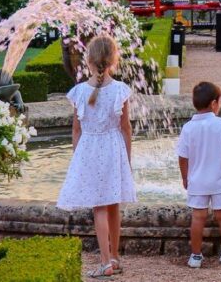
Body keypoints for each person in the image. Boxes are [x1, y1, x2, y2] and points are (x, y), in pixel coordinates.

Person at [56, 36, 136, 279]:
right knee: (113, 205)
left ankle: (104, 262)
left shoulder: (79, 92)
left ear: (88, 60)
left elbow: (76, 130)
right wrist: (128, 158)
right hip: (113, 147)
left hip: (90, 148)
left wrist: (77, 158)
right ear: (113, 60)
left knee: (99, 207)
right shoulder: (120, 90)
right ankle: (115, 257)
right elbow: (126, 128)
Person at [176, 81, 221, 269]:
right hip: (220, 180)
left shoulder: (188, 128)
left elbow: (182, 157)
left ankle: (195, 256)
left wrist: (185, 177)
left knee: (198, 217)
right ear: (214, 104)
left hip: (197, 180)